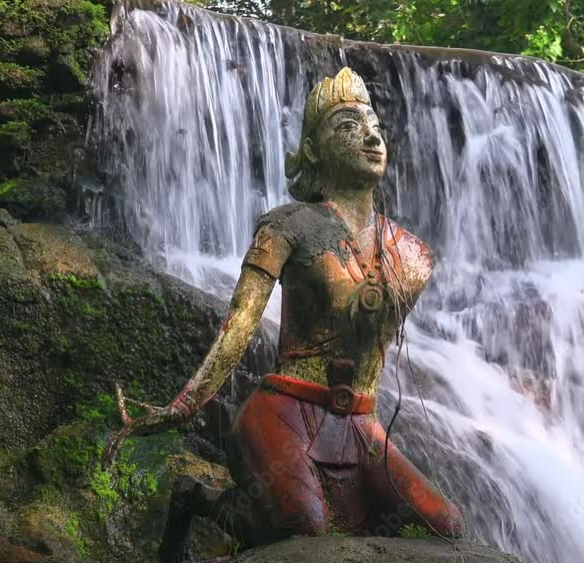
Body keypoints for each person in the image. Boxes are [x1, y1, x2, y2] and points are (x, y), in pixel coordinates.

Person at [104, 67, 465, 556]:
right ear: (313, 149)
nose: (371, 137)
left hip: (361, 423)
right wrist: (182, 406)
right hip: (284, 410)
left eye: (375, 126)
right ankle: (198, 499)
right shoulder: (286, 226)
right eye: (348, 126)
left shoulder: (412, 254)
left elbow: (370, 346)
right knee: (305, 528)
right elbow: (238, 325)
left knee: (444, 524)